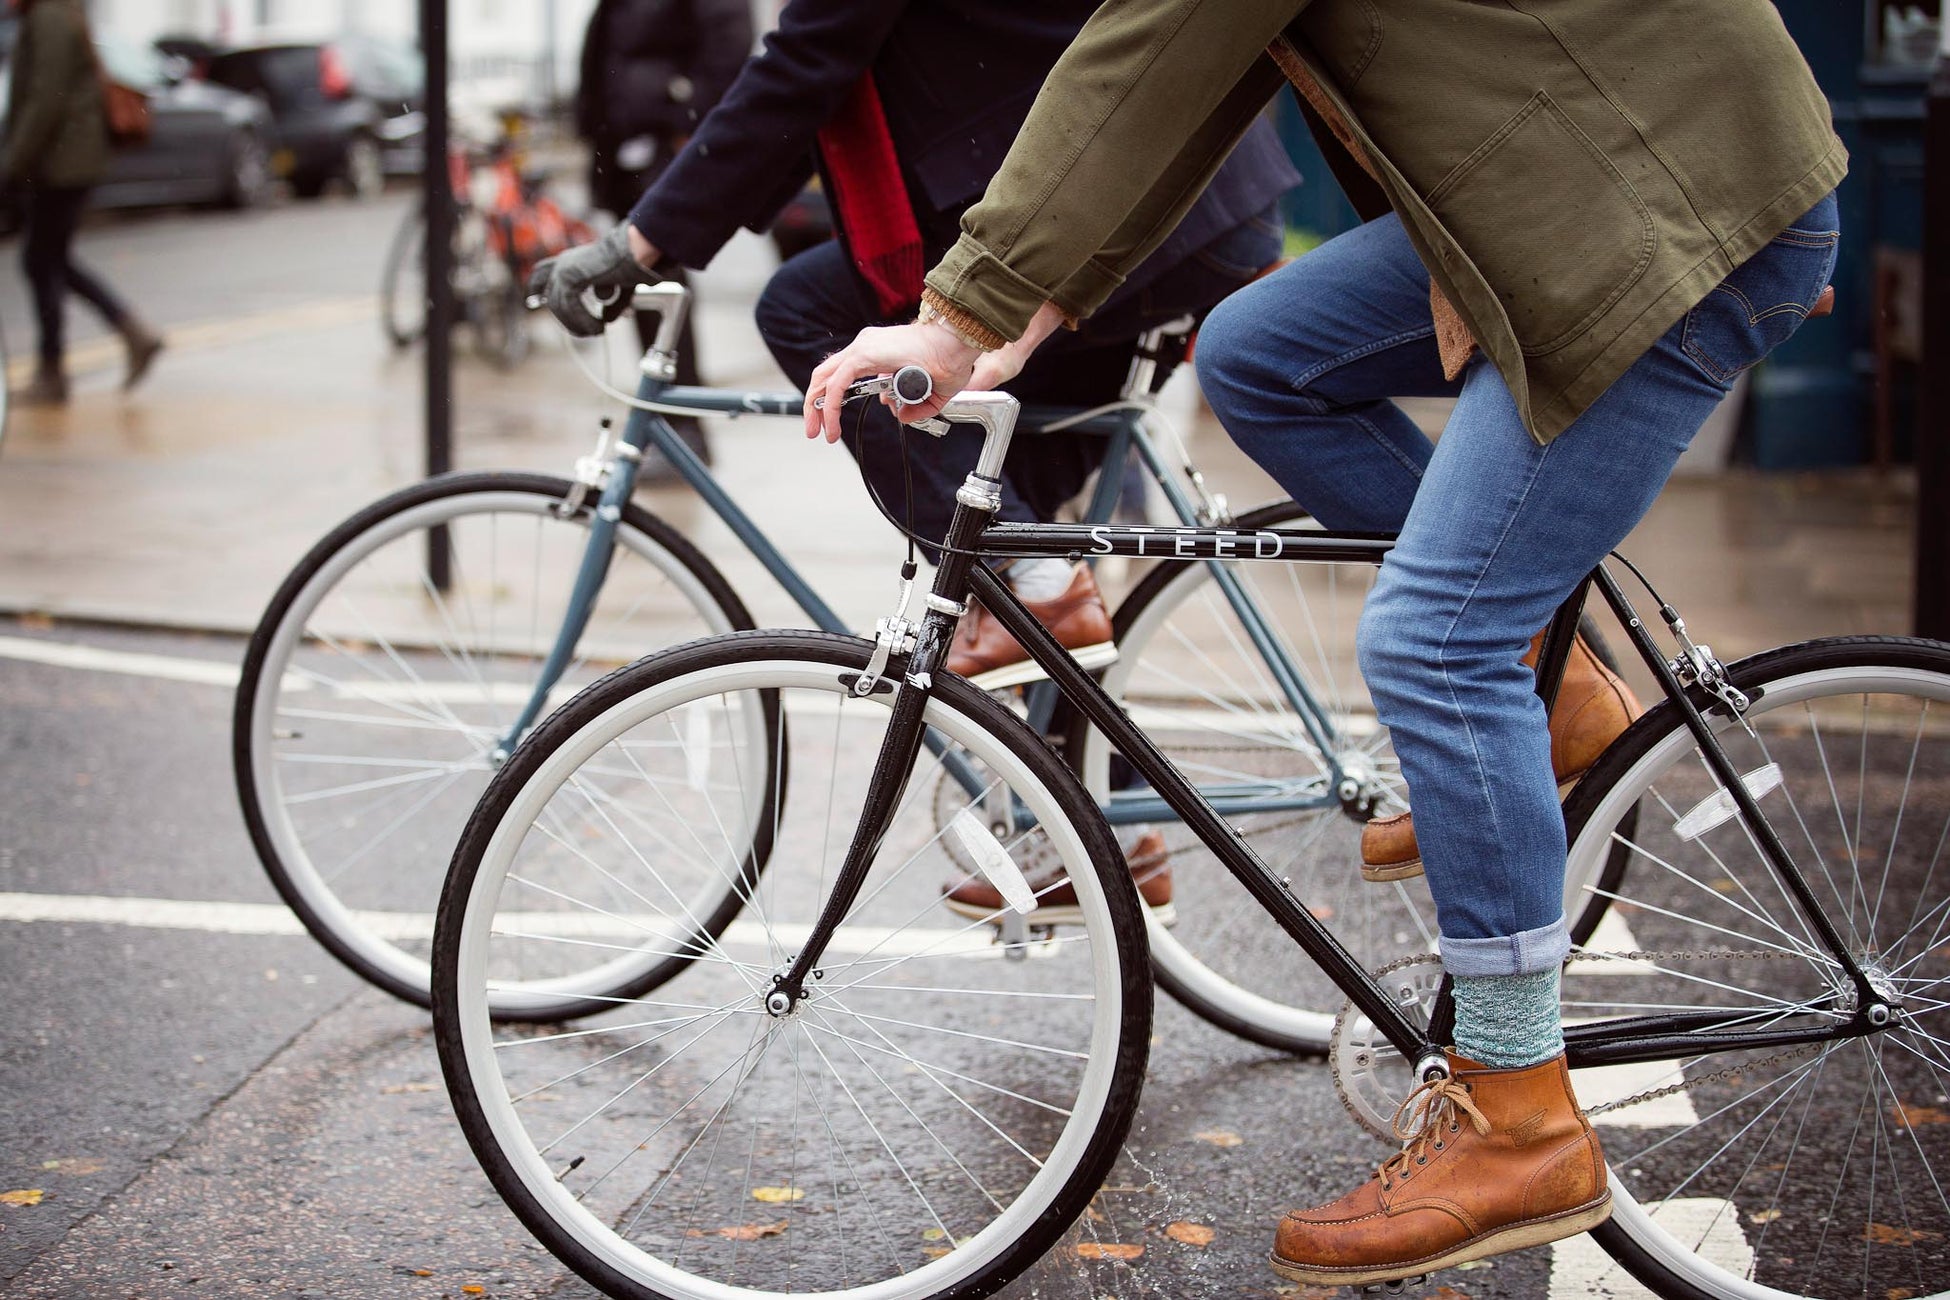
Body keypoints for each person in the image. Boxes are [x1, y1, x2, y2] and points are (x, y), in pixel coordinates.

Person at [804, 0, 1844, 1286]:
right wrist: (1011, 317)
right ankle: (1555, 691)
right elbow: (1195, 70)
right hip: (1578, 168)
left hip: (1649, 198)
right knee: (1261, 353)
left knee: (1432, 643)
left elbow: (1151, 45)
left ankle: (1519, 1114)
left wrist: (961, 314)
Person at [533, 0, 1299, 687]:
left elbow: (803, 66)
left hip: (1122, 223)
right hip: (1175, 208)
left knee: (802, 310)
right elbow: (817, 79)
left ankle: (1022, 583)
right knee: (1023, 541)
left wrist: (640, 243)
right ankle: (1098, 825)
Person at [574, 0, 752, 468]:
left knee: (664, 282)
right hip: (624, 148)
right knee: (642, 286)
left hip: (666, 148)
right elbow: (605, 53)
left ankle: (683, 429)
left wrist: (685, 122)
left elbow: (729, 48)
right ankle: (666, 424)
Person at [3, 0, 163, 405]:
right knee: (47, 258)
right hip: (65, 160)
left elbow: (44, 100)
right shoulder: (56, 13)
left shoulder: (51, 16)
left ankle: (54, 372)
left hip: (64, 163)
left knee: (41, 259)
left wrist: (10, 165)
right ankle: (131, 333)